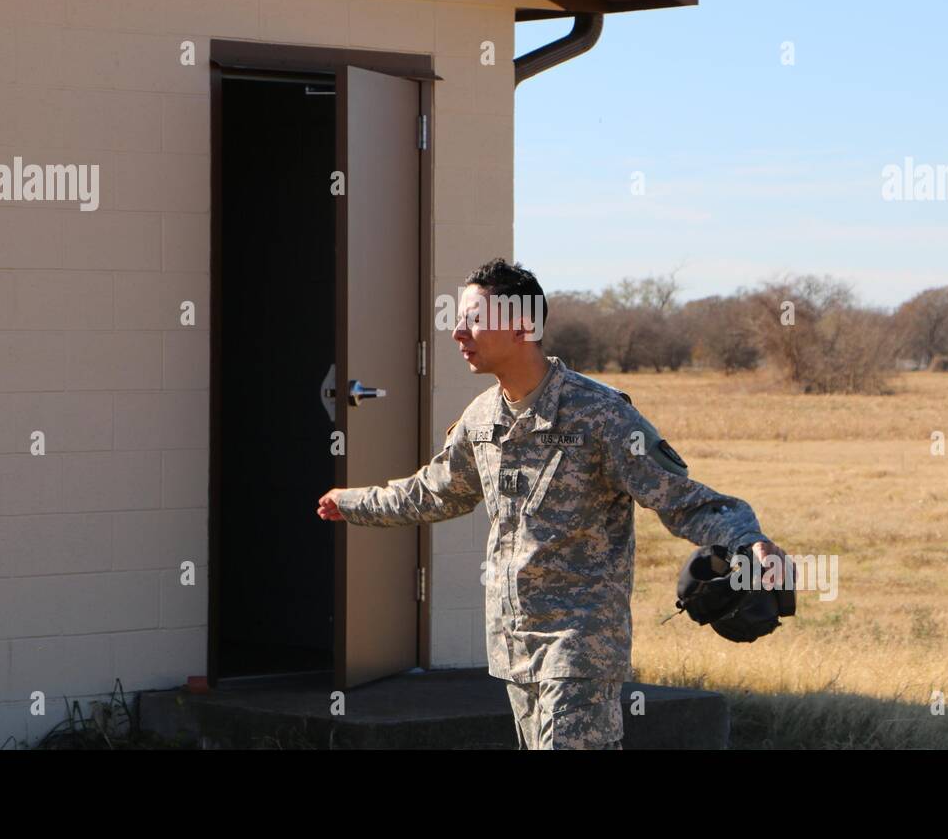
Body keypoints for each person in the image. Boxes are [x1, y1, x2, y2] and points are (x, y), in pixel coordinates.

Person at [317, 257, 789, 749]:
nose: (457, 331)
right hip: (512, 647)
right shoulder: (482, 420)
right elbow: (434, 491)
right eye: (458, 318)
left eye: (474, 318)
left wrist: (747, 539)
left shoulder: (600, 415)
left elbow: (681, 499)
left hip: (580, 647)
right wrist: (351, 502)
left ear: (524, 325)